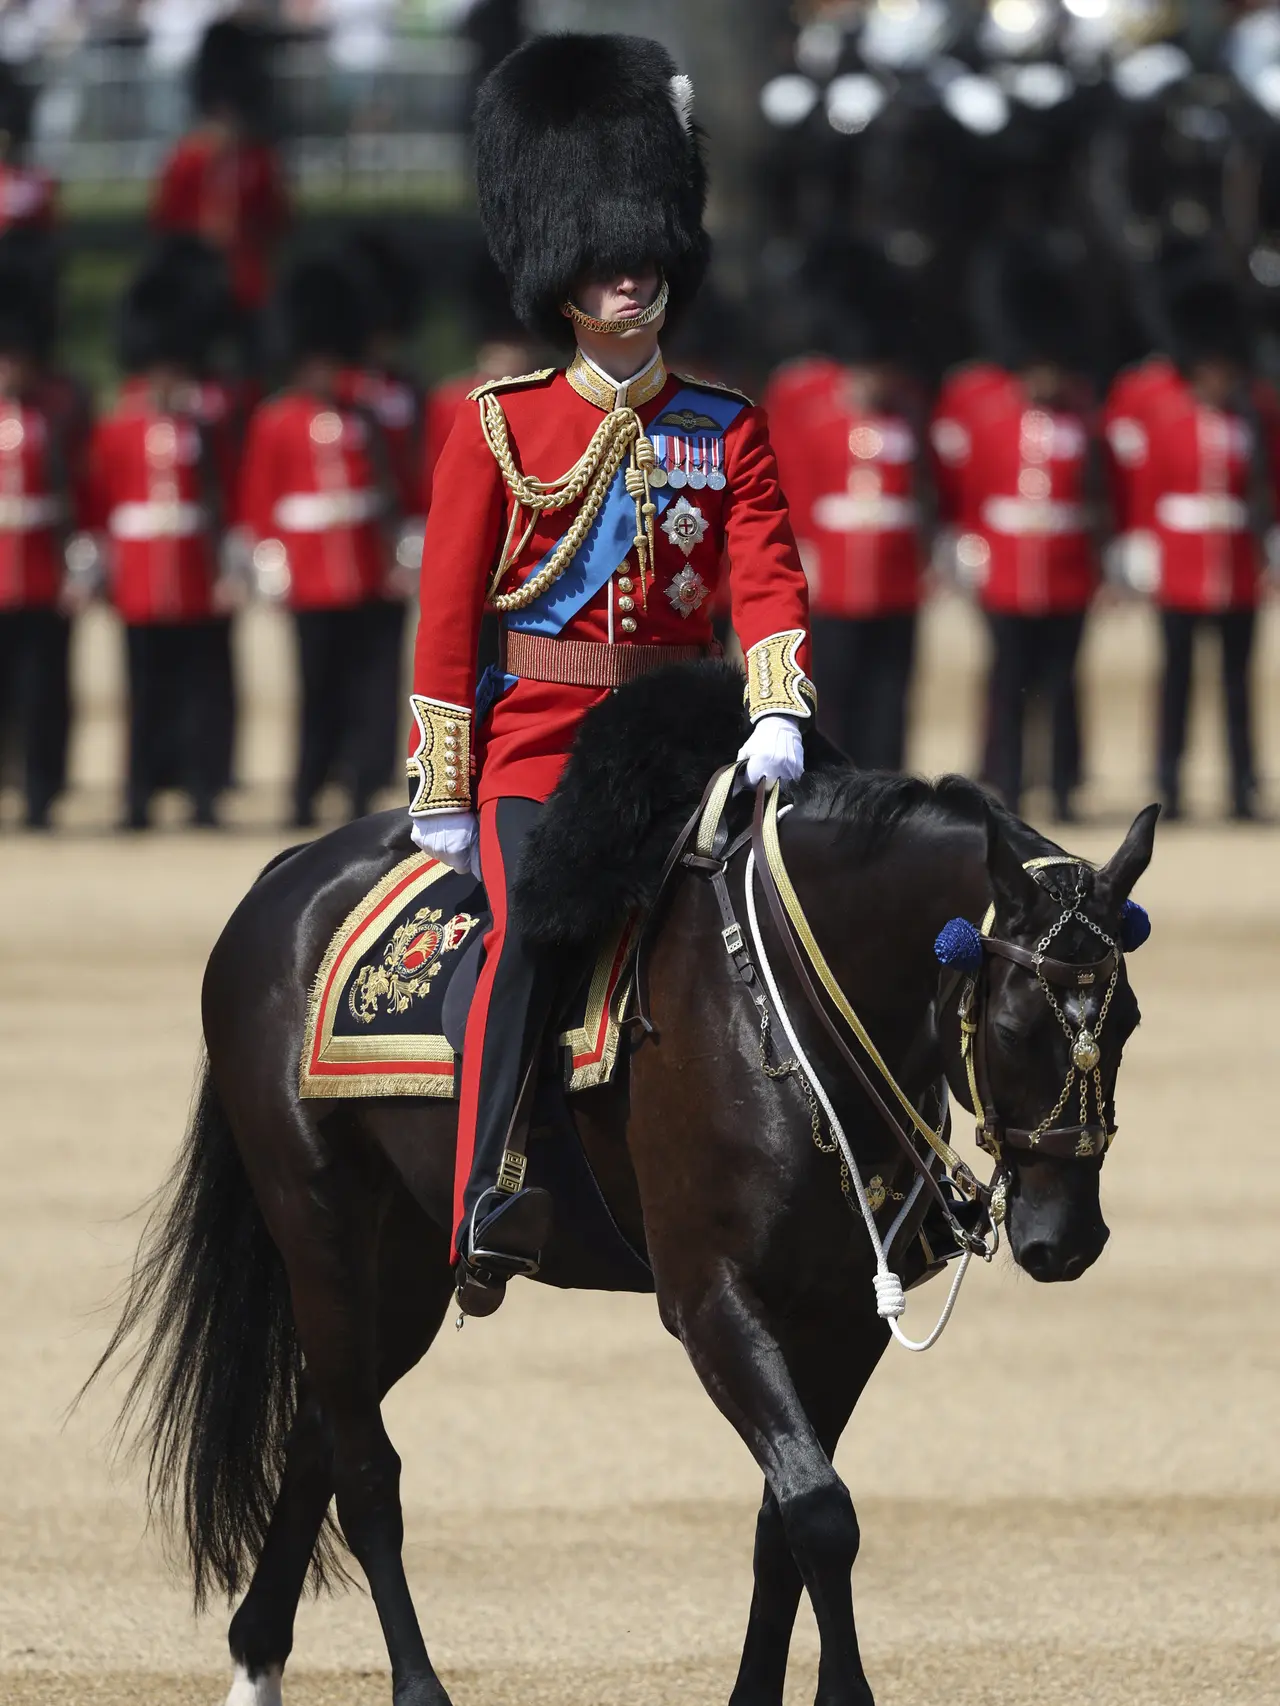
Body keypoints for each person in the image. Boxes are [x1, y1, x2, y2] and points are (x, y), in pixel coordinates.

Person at [406, 33, 814, 1312]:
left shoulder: (723, 425)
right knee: (530, 938)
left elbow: (765, 580)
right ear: (562, 277)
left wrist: (777, 709)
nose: (630, 278)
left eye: (643, 258)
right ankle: (483, 1193)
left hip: (690, 734)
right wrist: (442, 785)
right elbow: (446, 618)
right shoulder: (499, 424)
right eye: (602, 261)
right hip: (541, 739)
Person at [931, 245, 1100, 819]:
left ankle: (1063, 787)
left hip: (1067, 569)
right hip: (1003, 568)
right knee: (1008, 681)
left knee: (1062, 682)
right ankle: (1007, 782)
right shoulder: (984, 408)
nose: (1045, 379)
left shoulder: (1082, 412)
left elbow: (1098, 490)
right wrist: (960, 542)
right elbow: (963, 486)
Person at [1105, 264, 1271, 820]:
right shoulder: (1167, 414)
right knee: (1176, 679)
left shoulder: (1254, 413)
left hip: (1237, 564)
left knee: (1237, 683)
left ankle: (1242, 784)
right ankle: (1169, 782)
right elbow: (1143, 484)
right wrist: (1138, 545)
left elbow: (1268, 484)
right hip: (1179, 561)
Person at [239, 253, 399, 827]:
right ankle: (307, 788)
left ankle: (360, 786)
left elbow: (391, 492)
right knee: (315, 690)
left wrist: (397, 556)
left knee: (367, 690)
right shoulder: (276, 420)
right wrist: (271, 568)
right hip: (309, 576)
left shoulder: (366, 418)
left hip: (366, 570)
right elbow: (260, 501)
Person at [81, 237, 236, 830]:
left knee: (199, 691)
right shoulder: (117, 429)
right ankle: (139, 794)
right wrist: (95, 572)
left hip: (194, 576)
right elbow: (100, 505)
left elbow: (224, 504)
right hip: (141, 579)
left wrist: (228, 570)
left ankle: (201, 791)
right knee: (143, 693)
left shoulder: (205, 429)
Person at [765, 245, 924, 770]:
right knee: (834, 694)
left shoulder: (907, 409)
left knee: (890, 698)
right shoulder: (809, 405)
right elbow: (789, 483)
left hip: (896, 579)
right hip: (831, 578)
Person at [150, 19, 290, 372]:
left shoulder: (258, 159)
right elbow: (167, 225)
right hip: (195, 284)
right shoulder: (187, 160)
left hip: (248, 285)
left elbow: (277, 222)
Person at [0, 238, 75, 829]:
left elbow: (82, 495)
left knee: (44, 694)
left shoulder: (58, 413)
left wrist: (80, 565)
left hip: (44, 572)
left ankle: (42, 793)